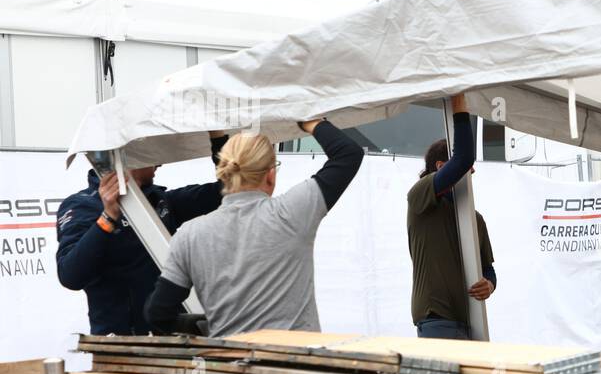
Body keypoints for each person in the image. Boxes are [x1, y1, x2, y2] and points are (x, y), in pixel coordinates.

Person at [145, 118, 363, 336]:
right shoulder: (292, 213)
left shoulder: (191, 235)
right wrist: (312, 121)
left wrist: (206, 326)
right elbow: (349, 154)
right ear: (270, 174)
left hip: (229, 364)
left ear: (225, 172)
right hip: (295, 363)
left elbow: (158, 314)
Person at [57, 135, 228, 335]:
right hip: (119, 349)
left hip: (171, 340)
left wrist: (218, 138)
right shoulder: (82, 205)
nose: (160, 164)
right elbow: (70, 276)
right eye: (154, 155)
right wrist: (108, 217)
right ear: (133, 155)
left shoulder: (160, 201)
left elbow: (227, 190)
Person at [407, 94, 496, 340]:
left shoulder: (474, 219)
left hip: (471, 322)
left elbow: (488, 271)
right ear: (440, 167)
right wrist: (460, 103)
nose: (472, 171)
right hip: (436, 320)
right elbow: (464, 158)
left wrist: (489, 285)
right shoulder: (420, 197)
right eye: (465, 170)